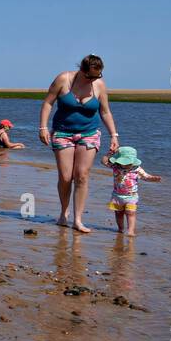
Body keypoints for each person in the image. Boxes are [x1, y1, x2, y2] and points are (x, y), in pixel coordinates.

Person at [38, 54, 120, 233]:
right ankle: (63, 213)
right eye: (90, 76)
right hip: (63, 133)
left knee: (82, 175)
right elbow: (47, 103)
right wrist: (43, 128)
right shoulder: (63, 79)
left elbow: (105, 112)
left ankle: (78, 220)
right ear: (81, 70)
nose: (93, 79)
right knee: (66, 177)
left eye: (97, 76)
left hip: (89, 133)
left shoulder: (99, 85)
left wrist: (114, 135)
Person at [102, 146, 160, 236]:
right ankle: (120, 229)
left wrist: (153, 178)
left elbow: (146, 177)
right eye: (123, 162)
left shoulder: (137, 169)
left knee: (131, 213)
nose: (125, 165)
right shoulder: (115, 166)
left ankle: (130, 231)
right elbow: (104, 161)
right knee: (118, 214)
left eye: (128, 163)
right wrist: (109, 154)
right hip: (117, 196)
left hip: (131, 196)